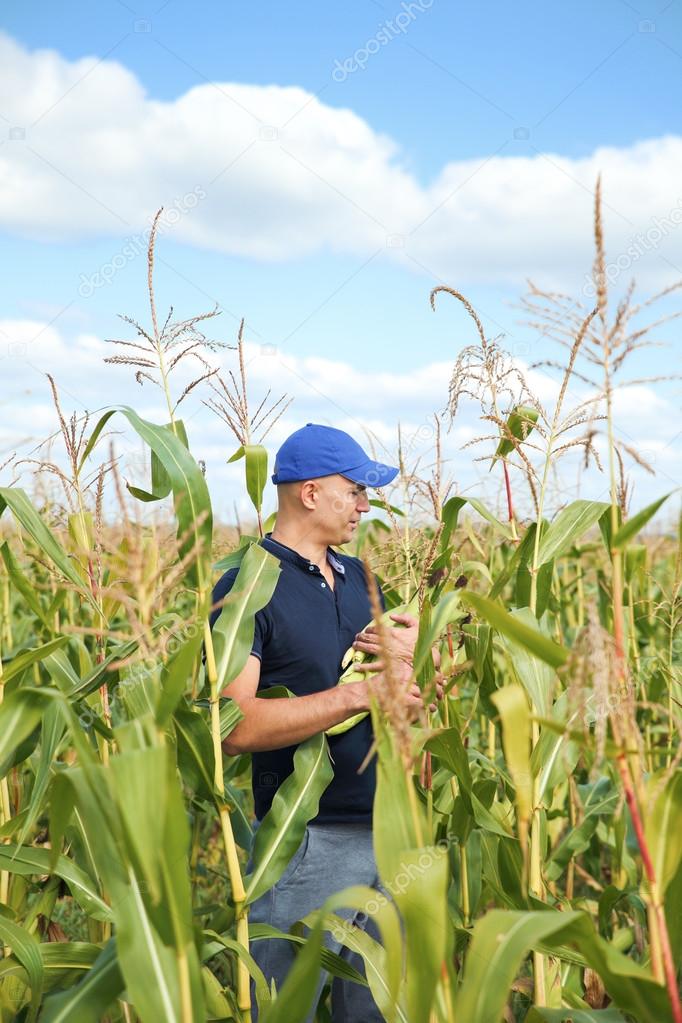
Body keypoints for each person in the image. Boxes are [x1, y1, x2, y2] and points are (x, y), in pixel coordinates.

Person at [210, 423, 422, 1023]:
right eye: (354, 491)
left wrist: (410, 677)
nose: (365, 504)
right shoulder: (248, 588)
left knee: (379, 1013)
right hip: (301, 844)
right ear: (310, 494)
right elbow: (232, 726)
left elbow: (405, 707)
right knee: (284, 1011)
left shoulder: (364, 581)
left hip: (389, 836)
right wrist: (356, 696)